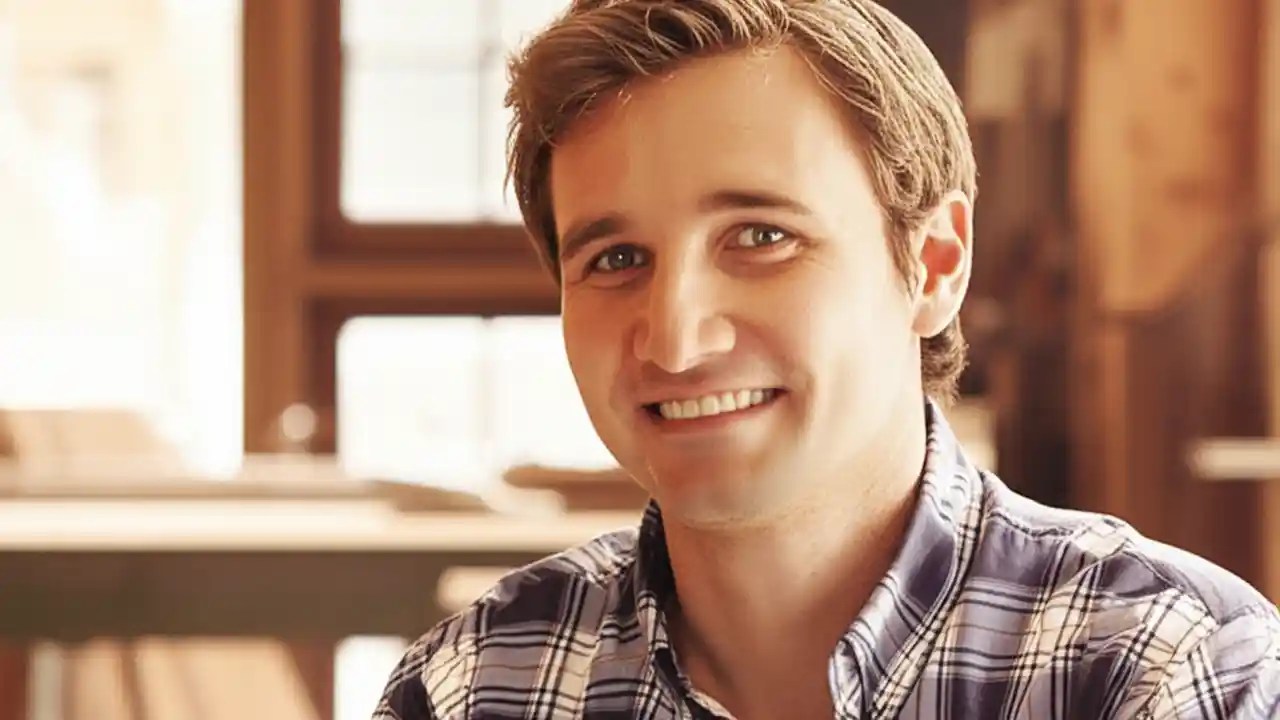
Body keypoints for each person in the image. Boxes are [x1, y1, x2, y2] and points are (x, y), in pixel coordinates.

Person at [374, 1, 1280, 717]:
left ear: (934, 265)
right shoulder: (474, 687)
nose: (678, 338)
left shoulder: (1169, 668)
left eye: (761, 236)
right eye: (616, 260)